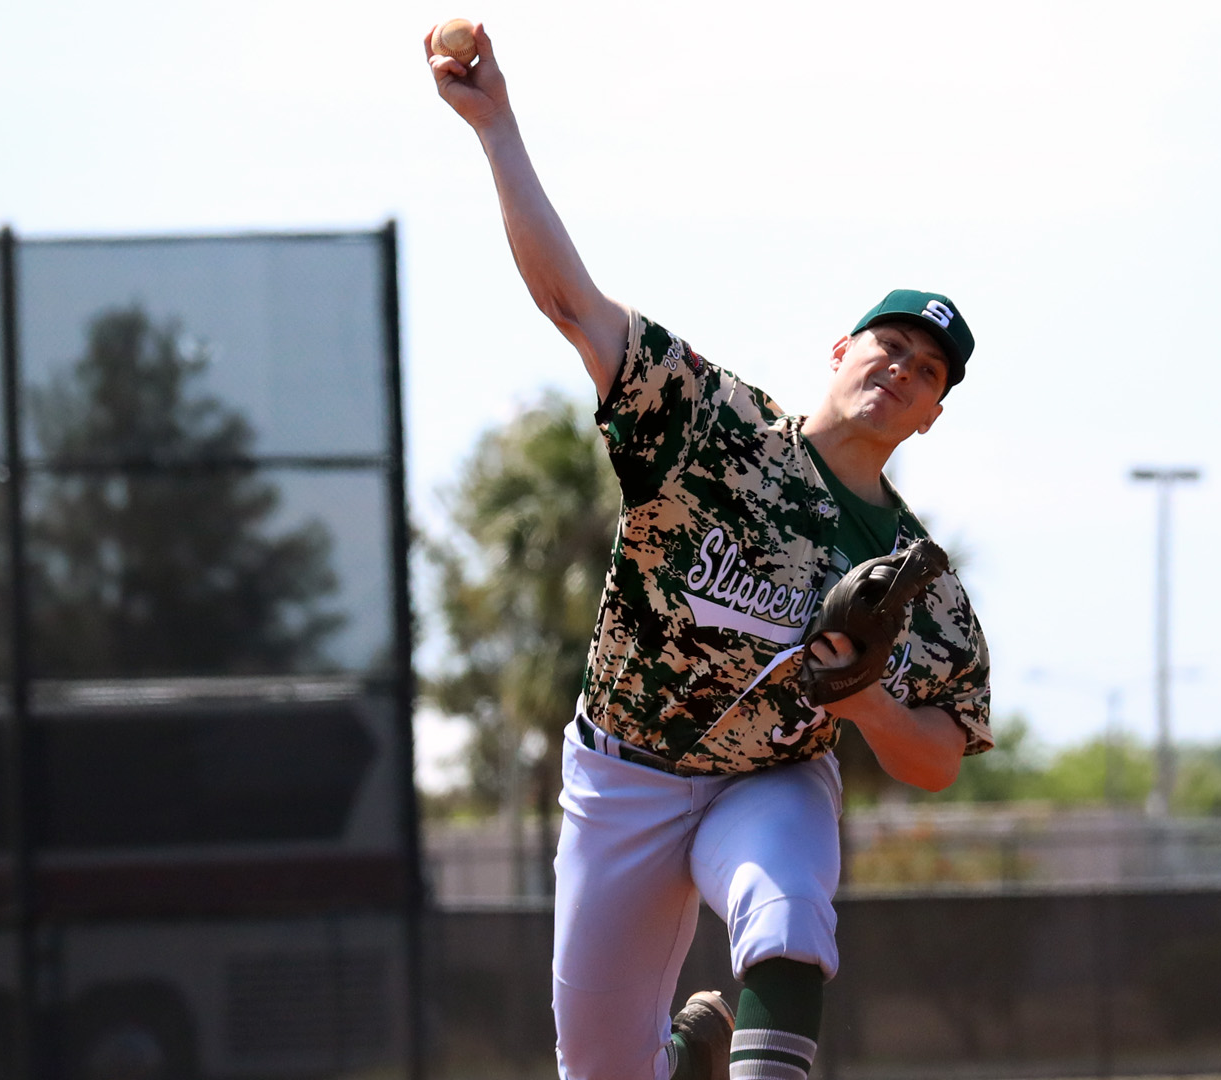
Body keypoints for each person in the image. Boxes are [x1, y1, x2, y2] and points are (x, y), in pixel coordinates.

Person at [425, 22, 994, 1080]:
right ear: (841, 350)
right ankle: (689, 1055)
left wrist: (865, 698)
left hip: (767, 781)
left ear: (931, 417)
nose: (904, 370)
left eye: (929, 372)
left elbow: (939, 759)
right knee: (601, 1069)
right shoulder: (712, 426)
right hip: (624, 771)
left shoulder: (921, 582)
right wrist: (496, 127)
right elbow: (574, 307)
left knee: (784, 913)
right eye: (891, 345)